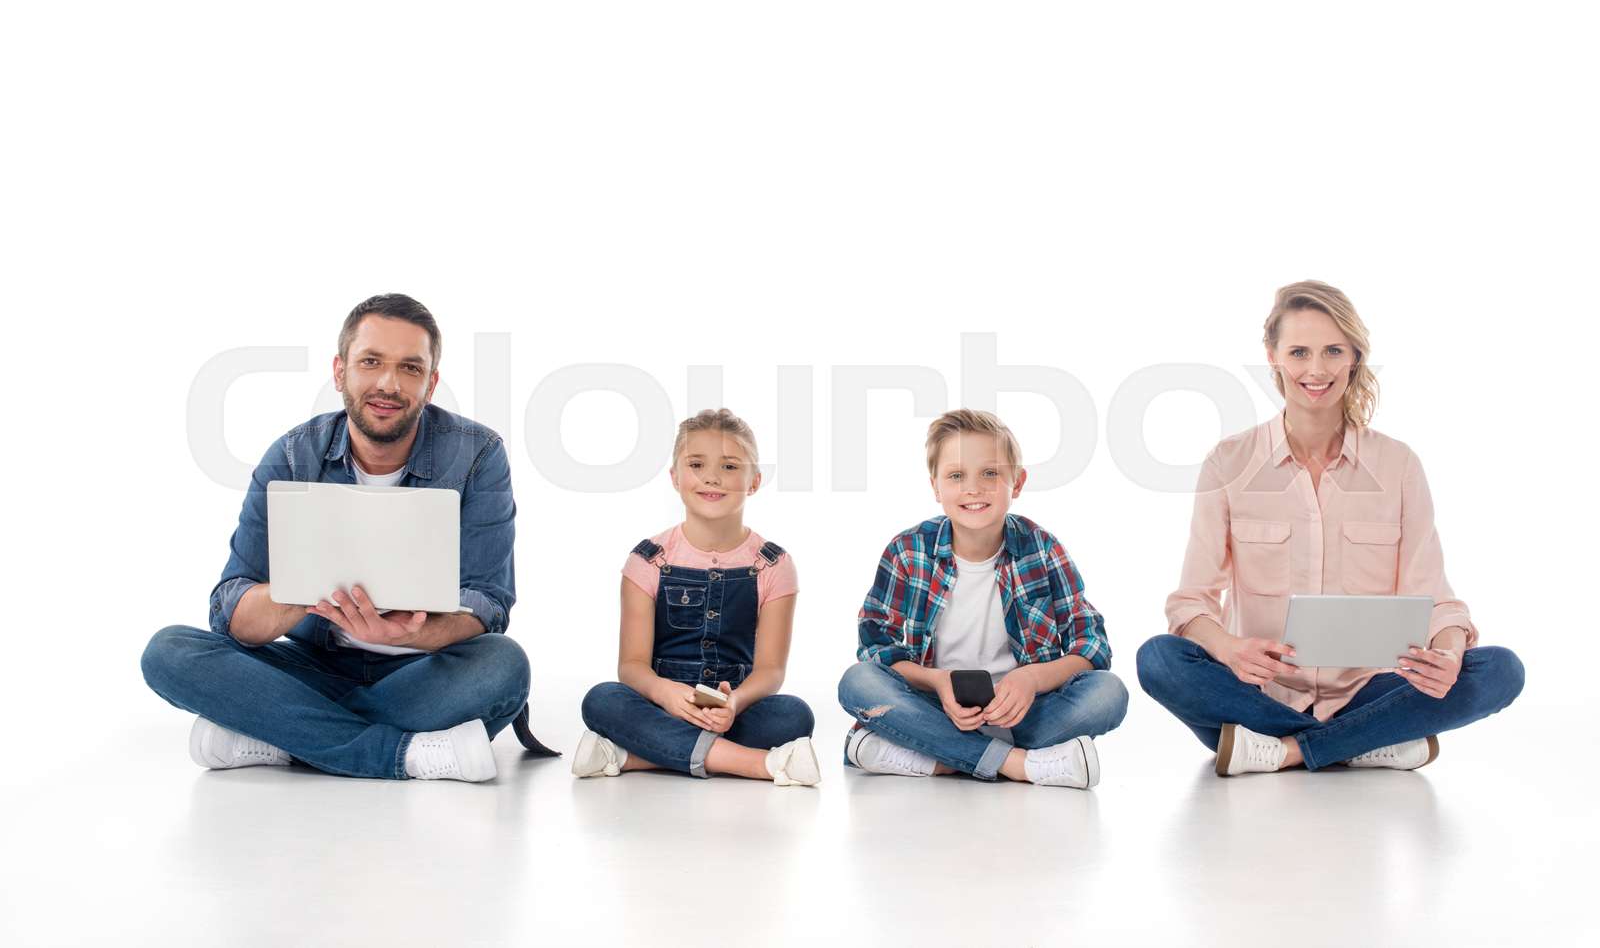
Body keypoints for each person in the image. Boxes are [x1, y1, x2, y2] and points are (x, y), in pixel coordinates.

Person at [141, 293, 548, 782]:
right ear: (340, 372)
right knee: (170, 652)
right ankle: (405, 754)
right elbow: (232, 615)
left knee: (502, 666)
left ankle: (281, 736)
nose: (388, 384)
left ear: (431, 383)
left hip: (425, 672)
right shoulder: (291, 456)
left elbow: (488, 605)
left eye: (410, 368)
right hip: (314, 667)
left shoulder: (479, 455)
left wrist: (412, 632)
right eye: (370, 362)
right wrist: (301, 590)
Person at [1137, 280, 1524, 776]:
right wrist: (1230, 650)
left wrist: (1447, 652)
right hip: (1258, 692)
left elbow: (1437, 599)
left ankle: (1286, 751)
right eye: (1299, 352)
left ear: (1355, 358)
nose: (1316, 370)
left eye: (1332, 351)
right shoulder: (1229, 463)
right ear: (1272, 356)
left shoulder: (1398, 466)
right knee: (1159, 660)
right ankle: (1365, 741)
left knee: (1500, 670)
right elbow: (1191, 602)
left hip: (1370, 689)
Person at [837, 409, 1127, 788]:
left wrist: (1033, 678)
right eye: (957, 476)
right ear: (936, 487)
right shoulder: (908, 551)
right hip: (936, 707)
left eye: (990, 473)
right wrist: (938, 682)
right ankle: (1017, 763)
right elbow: (877, 650)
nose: (973, 488)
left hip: (1022, 713)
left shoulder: (1041, 548)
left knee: (1108, 693)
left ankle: (940, 756)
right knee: (857, 682)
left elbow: (1091, 644)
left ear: (1017, 482)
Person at [574, 409, 820, 786]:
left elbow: (770, 670)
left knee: (794, 716)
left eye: (730, 466)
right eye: (697, 464)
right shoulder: (648, 560)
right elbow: (632, 666)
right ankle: (761, 765)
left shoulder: (774, 565)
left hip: (731, 709)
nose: (712, 477)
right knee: (602, 700)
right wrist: (665, 693)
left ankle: (631, 755)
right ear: (675, 477)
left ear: (754, 481)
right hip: (662, 705)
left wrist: (734, 703)